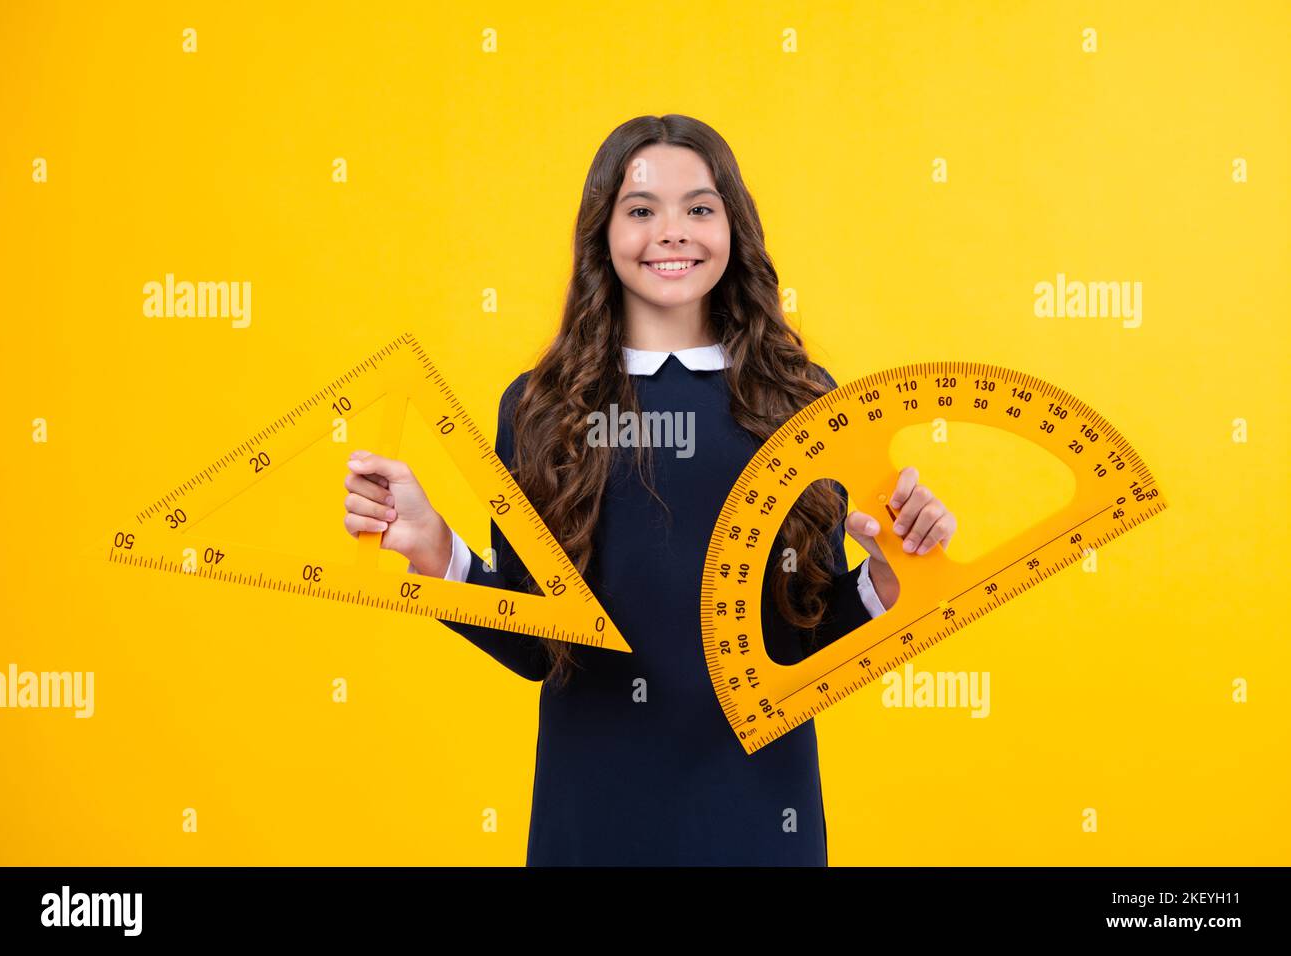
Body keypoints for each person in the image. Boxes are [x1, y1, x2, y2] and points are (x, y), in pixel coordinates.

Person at [341, 114, 957, 865]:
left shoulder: (802, 401)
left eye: (699, 208)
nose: (673, 232)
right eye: (641, 211)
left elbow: (806, 640)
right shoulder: (538, 408)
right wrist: (436, 550)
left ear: (735, 228)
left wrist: (888, 576)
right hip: (590, 816)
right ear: (603, 232)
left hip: (762, 815)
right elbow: (541, 645)